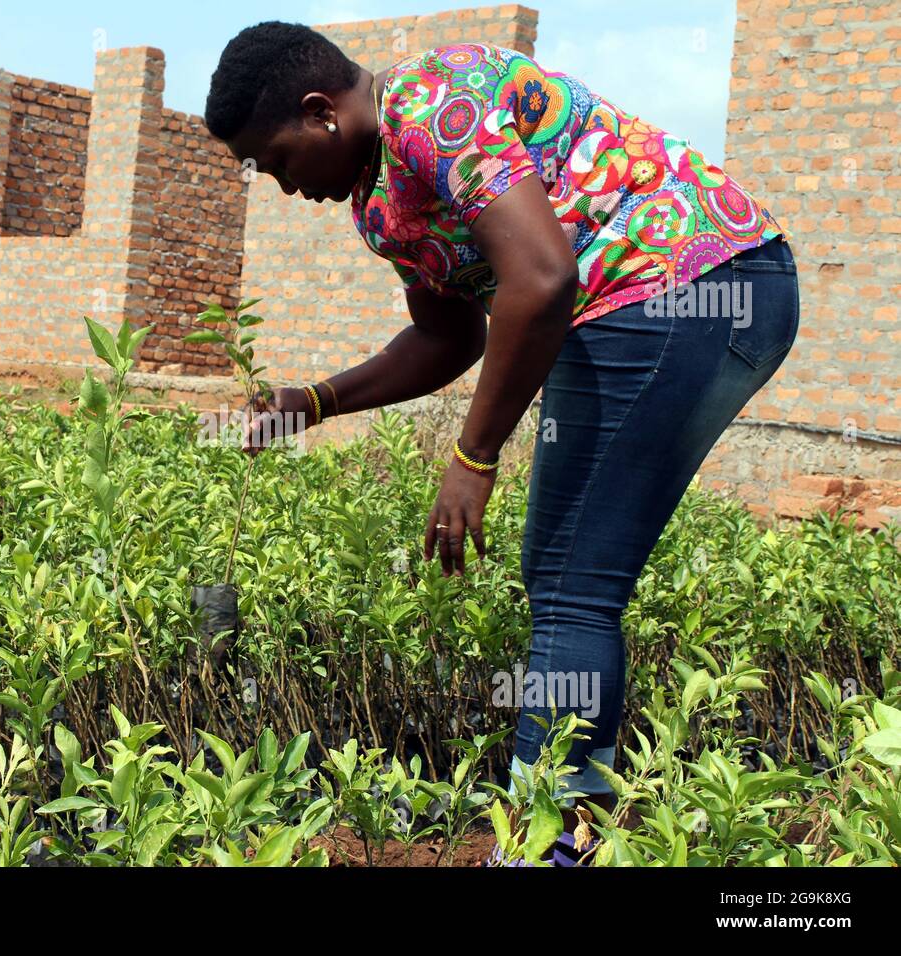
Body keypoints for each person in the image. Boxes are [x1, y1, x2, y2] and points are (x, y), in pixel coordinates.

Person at [203, 21, 798, 864]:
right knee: (565, 577)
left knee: (569, 583)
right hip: (651, 300)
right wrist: (318, 400)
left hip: (693, 279)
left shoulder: (435, 104)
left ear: (320, 112)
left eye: (278, 161)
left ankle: (548, 846)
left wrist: (474, 458)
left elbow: (542, 275)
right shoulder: (381, 206)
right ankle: (567, 837)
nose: (285, 187)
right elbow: (450, 339)